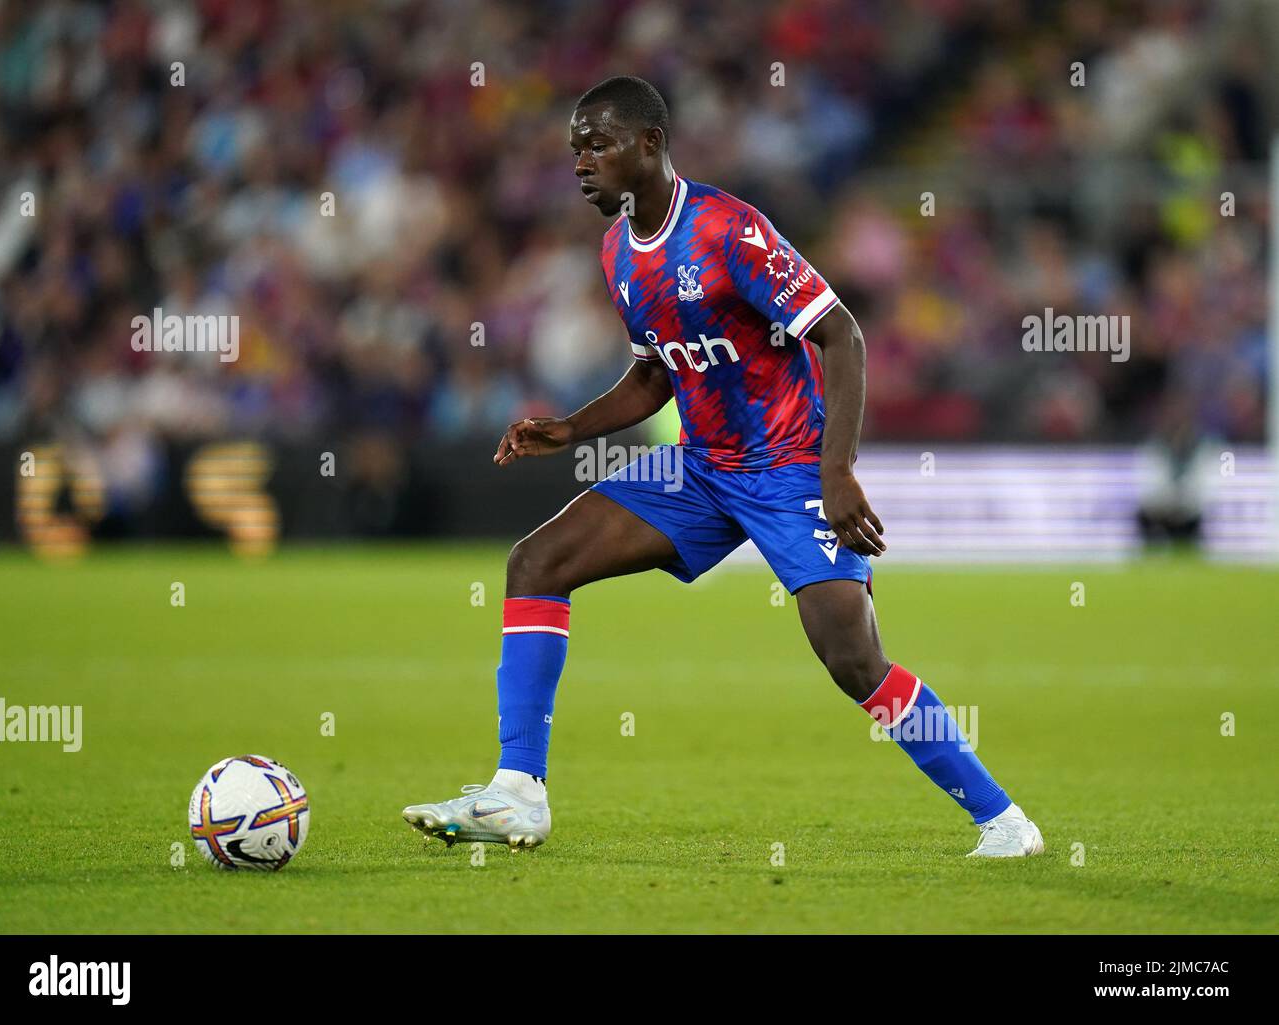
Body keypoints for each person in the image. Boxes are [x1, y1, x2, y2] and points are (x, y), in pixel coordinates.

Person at [403, 76, 1043, 857]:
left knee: (852, 659)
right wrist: (570, 428)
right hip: (700, 470)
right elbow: (654, 375)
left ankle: (1005, 819)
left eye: (598, 144)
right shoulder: (617, 252)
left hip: (789, 470)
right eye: (575, 148)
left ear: (649, 144)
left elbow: (842, 334)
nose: (581, 162)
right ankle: (517, 791)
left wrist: (835, 470)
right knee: (536, 562)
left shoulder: (726, 230)